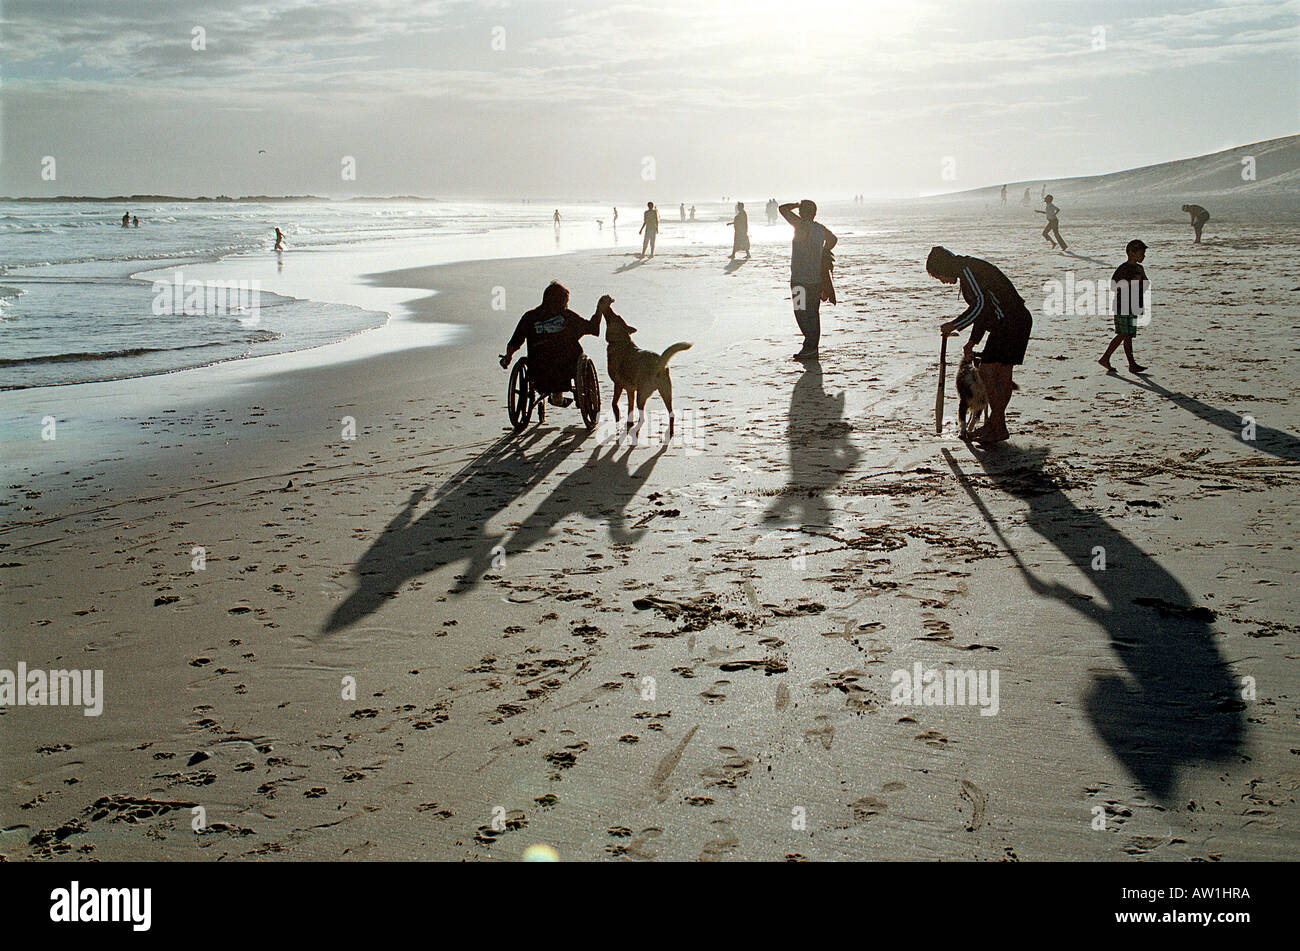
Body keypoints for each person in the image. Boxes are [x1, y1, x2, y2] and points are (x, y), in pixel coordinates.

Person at [928, 246, 1032, 444]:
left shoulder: (967, 271)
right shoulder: (967, 269)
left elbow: (981, 305)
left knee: (987, 372)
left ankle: (997, 425)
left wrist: (955, 325)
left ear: (944, 266)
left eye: (938, 275)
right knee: (1001, 375)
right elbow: (984, 311)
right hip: (1014, 321)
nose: (941, 280)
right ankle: (995, 425)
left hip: (1010, 323)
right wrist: (972, 341)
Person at [499, 281, 602, 406]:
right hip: (565, 369)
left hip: (538, 370)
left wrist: (508, 357)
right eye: (566, 301)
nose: (567, 305)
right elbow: (592, 328)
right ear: (561, 301)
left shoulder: (530, 317)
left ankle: (556, 397)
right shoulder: (567, 316)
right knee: (576, 357)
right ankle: (568, 398)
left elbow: (515, 341)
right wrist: (599, 310)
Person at [779, 199, 837, 360]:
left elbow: (782, 209)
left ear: (803, 213)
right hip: (815, 279)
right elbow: (833, 239)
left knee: (800, 311)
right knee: (813, 313)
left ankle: (810, 346)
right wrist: (823, 251)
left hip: (799, 278)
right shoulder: (820, 229)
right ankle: (812, 347)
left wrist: (796, 204)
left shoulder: (800, 225)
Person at [1100, 239, 1149, 374]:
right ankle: (1106, 358)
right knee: (1123, 334)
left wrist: (1142, 279)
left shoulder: (1139, 268)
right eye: (1141, 253)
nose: (1143, 256)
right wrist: (1132, 282)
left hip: (1134, 305)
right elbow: (1113, 286)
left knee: (1128, 335)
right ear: (1131, 253)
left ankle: (1131, 364)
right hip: (1122, 305)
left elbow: (1145, 285)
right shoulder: (1123, 268)